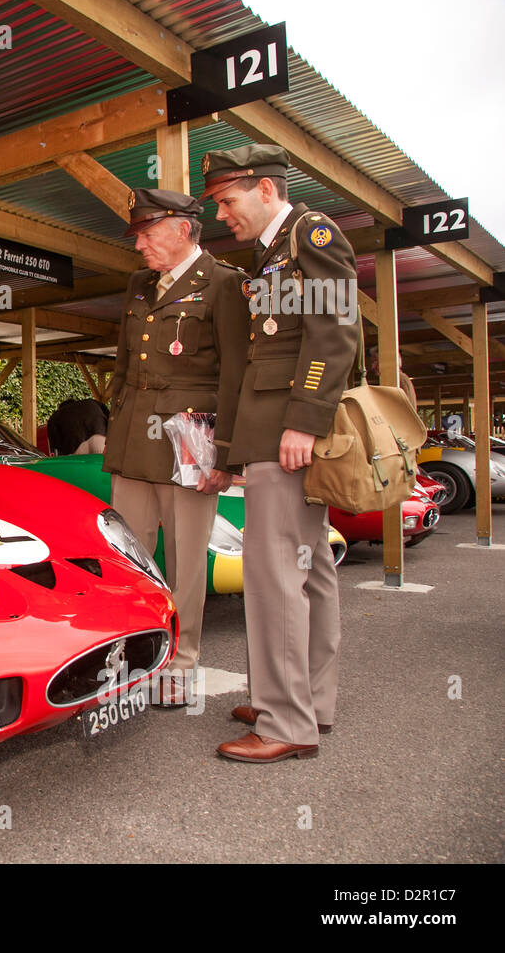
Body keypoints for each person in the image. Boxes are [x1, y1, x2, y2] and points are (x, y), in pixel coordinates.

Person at [202, 144, 358, 762]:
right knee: (311, 569)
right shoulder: (273, 252)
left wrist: (305, 422)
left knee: (274, 578)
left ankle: (285, 722)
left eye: (228, 201)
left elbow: (335, 328)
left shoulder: (309, 235)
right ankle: (308, 702)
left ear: (266, 189)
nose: (222, 215)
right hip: (274, 431)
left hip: (287, 434)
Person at [102, 188, 250, 706]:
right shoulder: (139, 284)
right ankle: (131, 654)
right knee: (130, 558)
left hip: (191, 443)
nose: (139, 244)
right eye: (137, 234)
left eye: (146, 232)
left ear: (183, 229)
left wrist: (225, 454)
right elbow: (123, 368)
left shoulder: (225, 284)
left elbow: (236, 375)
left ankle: (180, 663)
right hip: (133, 440)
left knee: (187, 561)